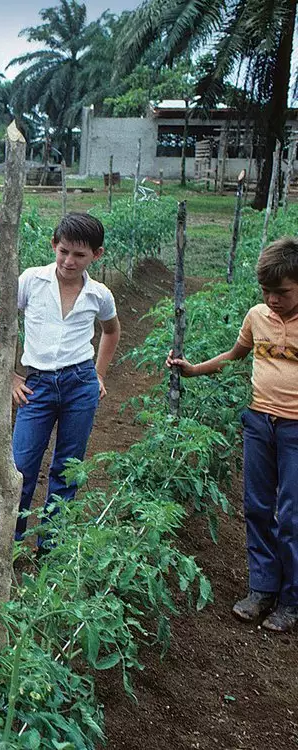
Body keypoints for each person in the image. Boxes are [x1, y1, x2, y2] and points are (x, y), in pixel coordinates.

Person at [166, 238, 298, 633]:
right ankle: (262, 588)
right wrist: (194, 369)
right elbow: (234, 356)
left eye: (283, 293)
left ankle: (292, 599)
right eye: (267, 292)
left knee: (292, 515)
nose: (273, 300)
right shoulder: (257, 316)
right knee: (257, 506)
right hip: (259, 422)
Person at [0, 212, 121, 547]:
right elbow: (0, 322)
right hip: (38, 384)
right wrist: (9, 375)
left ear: (97, 254)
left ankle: (51, 543)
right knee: (21, 466)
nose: (69, 261)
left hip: (80, 384)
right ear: (54, 245)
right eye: (64, 251)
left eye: (80, 254)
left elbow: (111, 331)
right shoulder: (32, 281)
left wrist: (98, 373)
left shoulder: (99, 294)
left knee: (67, 467)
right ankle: (7, 542)